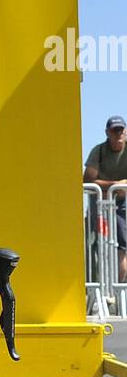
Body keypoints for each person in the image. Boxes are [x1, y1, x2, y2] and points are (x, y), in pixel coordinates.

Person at [84, 116, 127, 286]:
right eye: (115, 130)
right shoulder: (99, 151)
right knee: (99, 243)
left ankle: (120, 288)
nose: (118, 134)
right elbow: (88, 180)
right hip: (100, 204)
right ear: (107, 132)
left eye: (121, 130)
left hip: (122, 203)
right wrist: (115, 185)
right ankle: (99, 285)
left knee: (122, 243)